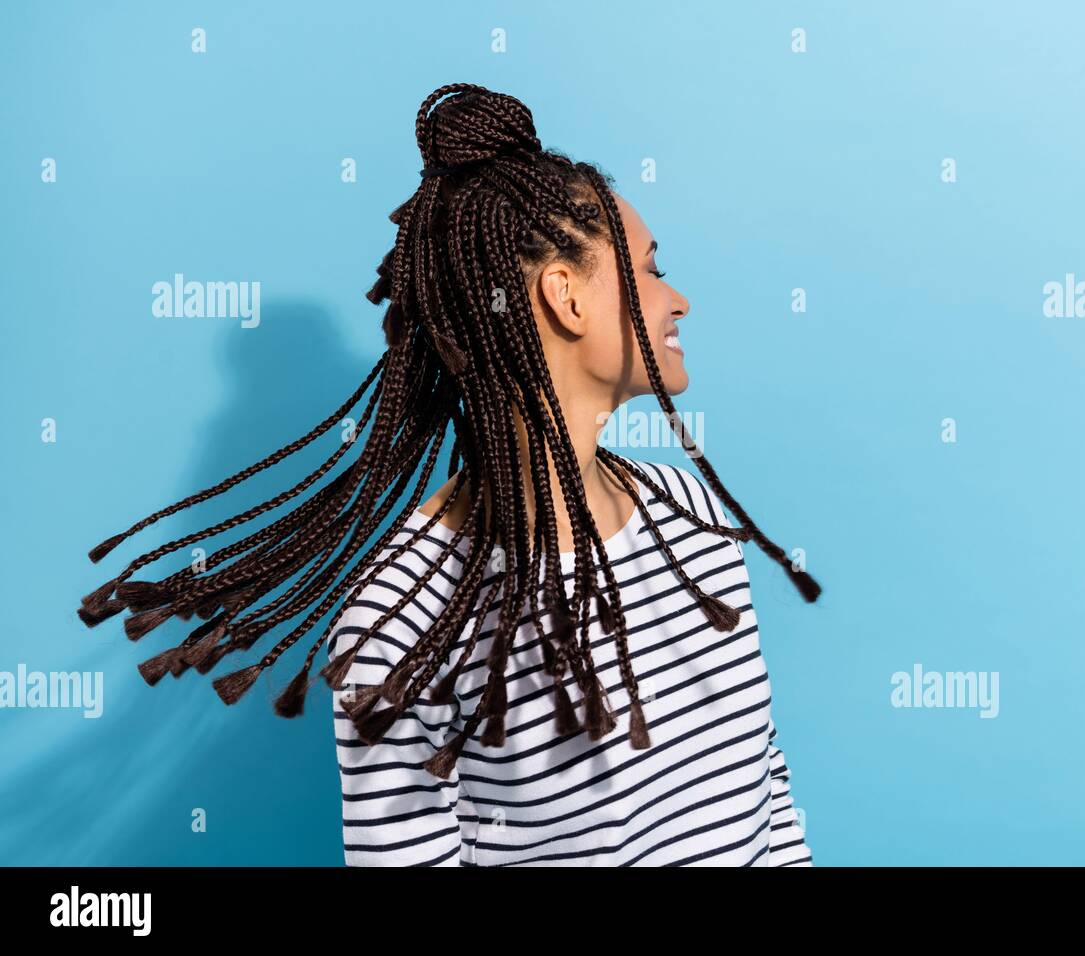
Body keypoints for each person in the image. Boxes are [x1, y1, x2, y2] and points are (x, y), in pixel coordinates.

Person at [78, 83, 821, 867]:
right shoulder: (401, 621)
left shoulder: (693, 513)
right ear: (564, 296)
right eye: (649, 267)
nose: (680, 300)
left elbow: (766, 791)